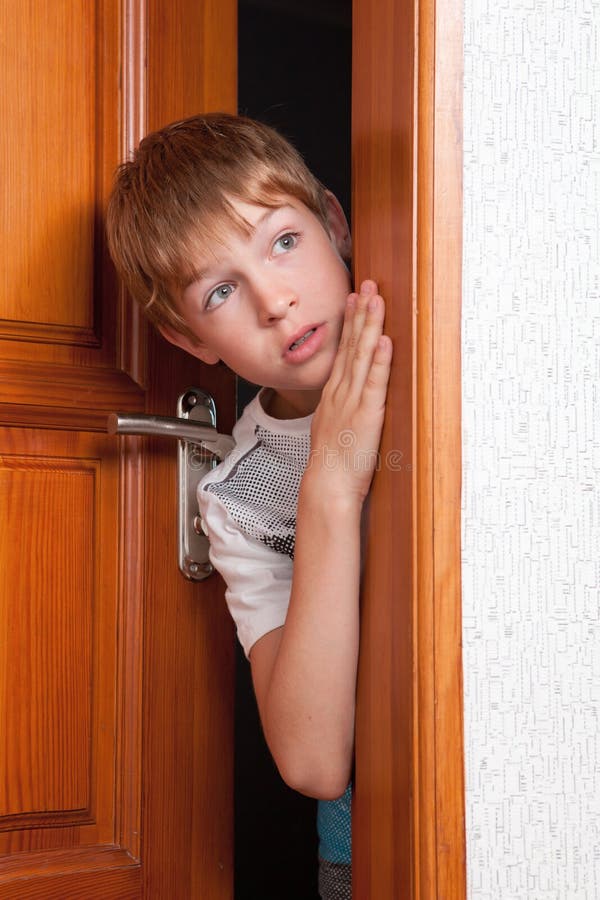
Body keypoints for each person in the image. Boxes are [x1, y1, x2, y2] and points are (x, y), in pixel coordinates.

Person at [106, 113, 392, 900]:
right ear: (187, 336)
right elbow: (313, 760)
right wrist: (330, 488)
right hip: (369, 836)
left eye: (285, 241)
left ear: (333, 222)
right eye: (222, 290)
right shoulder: (239, 496)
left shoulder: (441, 341)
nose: (275, 300)